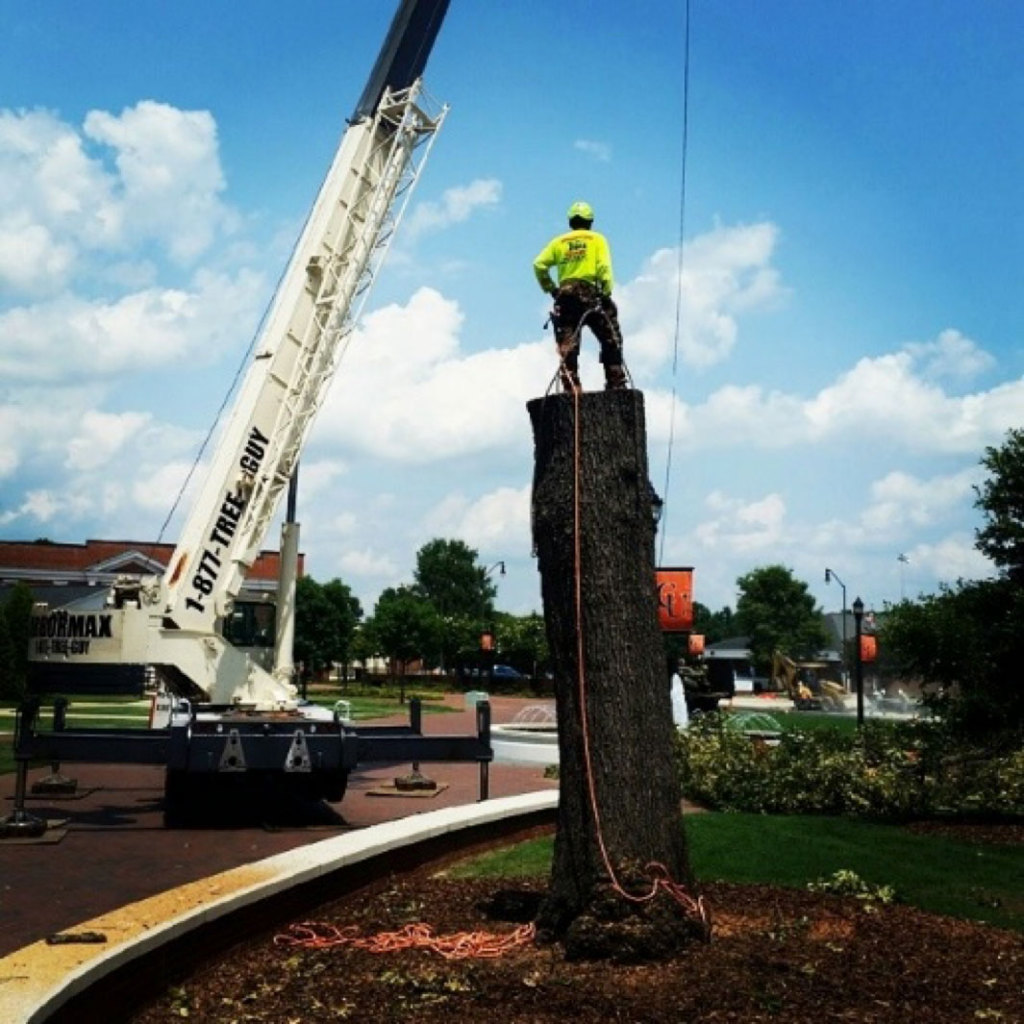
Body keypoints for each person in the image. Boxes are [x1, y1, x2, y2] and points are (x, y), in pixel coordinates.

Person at [533, 200, 626, 393]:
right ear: (590, 222)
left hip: (566, 296)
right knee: (611, 337)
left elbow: (539, 265)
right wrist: (606, 292)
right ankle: (615, 382)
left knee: (568, 343)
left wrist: (551, 288)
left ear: (570, 222)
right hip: (590, 293)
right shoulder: (597, 239)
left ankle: (571, 387)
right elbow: (604, 268)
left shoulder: (559, 242)